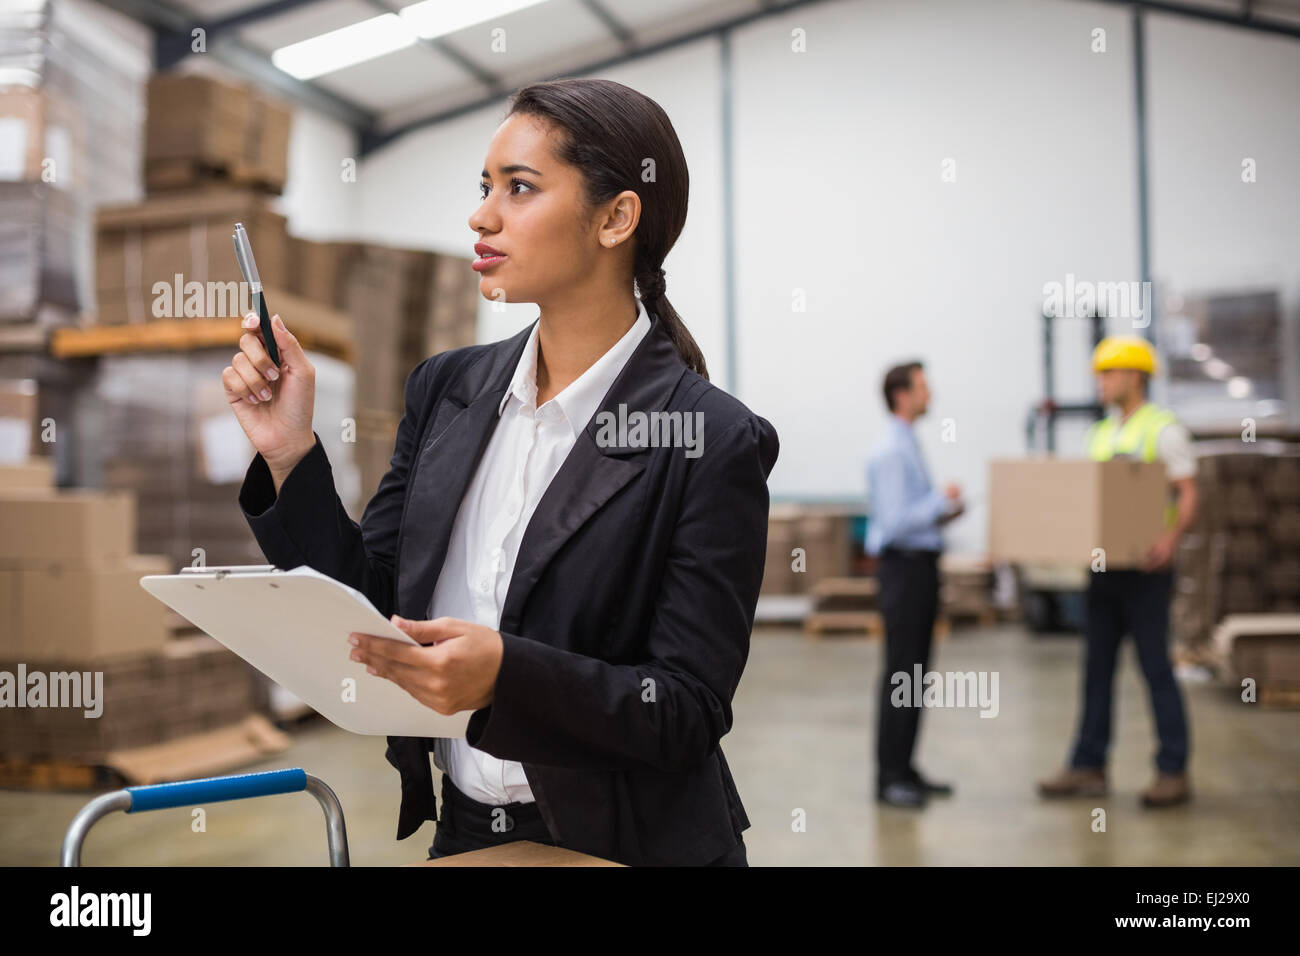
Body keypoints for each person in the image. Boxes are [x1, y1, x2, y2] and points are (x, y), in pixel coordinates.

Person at [225, 78, 779, 865]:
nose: (482, 215)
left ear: (618, 217)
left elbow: (683, 708)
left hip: (625, 845)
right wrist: (290, 453)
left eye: (520, 188)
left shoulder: (711, 440)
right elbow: (376, 606)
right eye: (485, 187)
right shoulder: (448, 390)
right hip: (466, 833)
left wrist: (506, 677)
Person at [1038, 336, 1197, 808]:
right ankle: (1089, 764)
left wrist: (1169, 542)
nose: (1100, 383)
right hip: (1104, 571)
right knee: (1096, 669)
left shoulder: (1163, 430)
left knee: (1155, 668)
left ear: (1133, 376)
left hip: (1147, 572)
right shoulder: (1100, 434)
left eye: (1107, 374)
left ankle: (1173, 769)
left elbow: (1187, 492)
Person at [865, 361, 963, 808]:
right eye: (924, 387)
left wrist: (941, 511)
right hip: (904, 570)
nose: (931, 395)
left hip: (919, 568)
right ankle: (889, 778)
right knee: (902, 672)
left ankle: (905, 768)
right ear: (901, 395)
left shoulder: (908, 445)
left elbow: (911, 513)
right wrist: (939, 502)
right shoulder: (890, 451)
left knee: (916, 674)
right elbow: (896, 522)